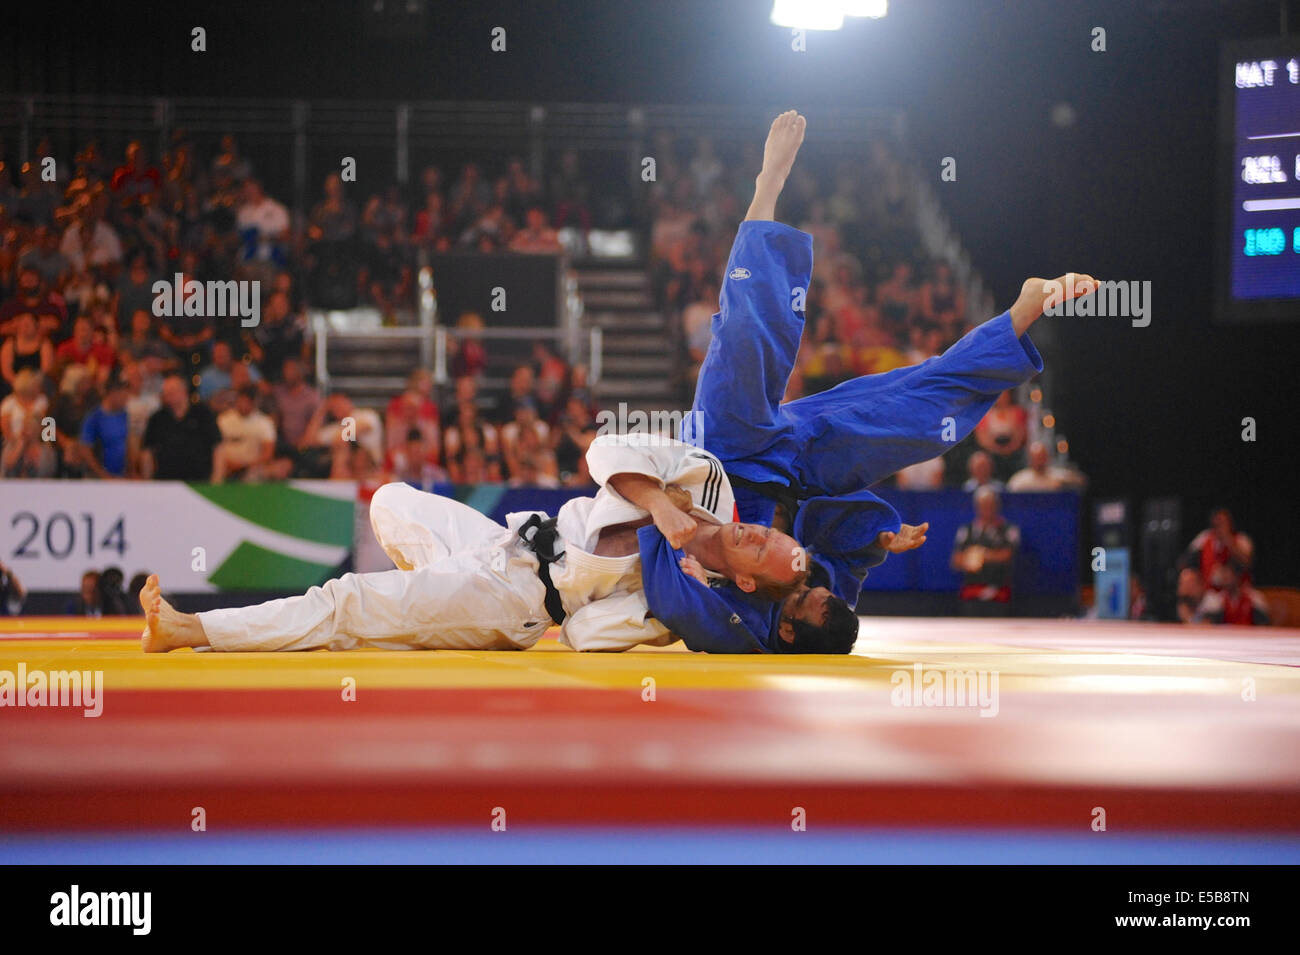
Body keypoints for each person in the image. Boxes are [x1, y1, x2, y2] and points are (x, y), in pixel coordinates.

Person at [653, 111, 1096, 652]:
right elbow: (848, 552)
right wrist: (879, 535)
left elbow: (678, 602)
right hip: (800, 468)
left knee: (744, 338)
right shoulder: (826, 591)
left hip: (722, 452)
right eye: (823, 594)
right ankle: (1018, 317)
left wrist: (682, 555)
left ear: (788, 631)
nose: (813, 588)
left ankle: (766, 187)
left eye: (808, 602)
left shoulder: (736, 620)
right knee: (916, 419)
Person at [138, 434, 808, 654]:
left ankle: (189, 626)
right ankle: (421, 614)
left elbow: (582, 636)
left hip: (517, 597)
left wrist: (661, 603)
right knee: (393, 501)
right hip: (500, 542)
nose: (753, 532)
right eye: (769, 531)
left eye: (758, 549)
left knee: (346, 600)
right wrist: (661, 504)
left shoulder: (682, 599)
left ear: (745, 582)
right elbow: (603, 447)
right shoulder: (705, 480)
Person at [950, 487, 1019, 616]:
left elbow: (1006, 555)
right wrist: (969, 560)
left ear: (997, 506)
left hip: (998, 591)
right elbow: (956, 560)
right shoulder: (966, 530)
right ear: (977, 507)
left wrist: (980, 555)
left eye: (990, 505)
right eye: (983, 505)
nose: (987, 509)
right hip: (972, 592)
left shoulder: (1009, 530)